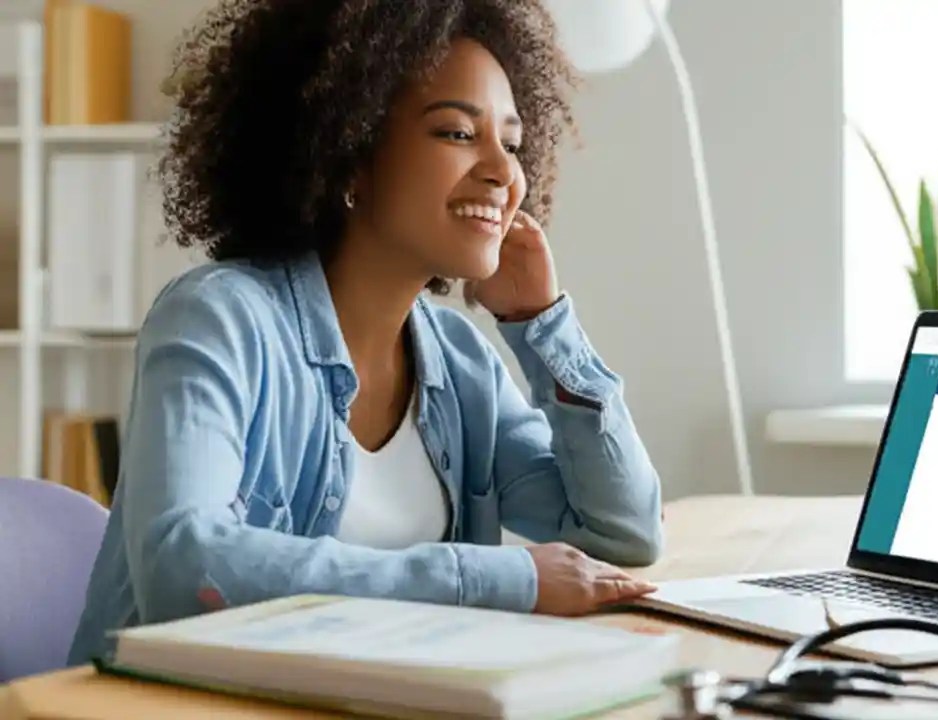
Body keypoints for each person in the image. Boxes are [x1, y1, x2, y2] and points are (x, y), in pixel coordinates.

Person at [67, 0, 663, 665]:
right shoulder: (218, 318)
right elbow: (184, 571)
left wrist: (544, 326)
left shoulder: (460, 360)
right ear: (350, 154)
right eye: (458, 134)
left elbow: (621, 533)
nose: (503, 172)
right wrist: (495, 582)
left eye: (513, 142)